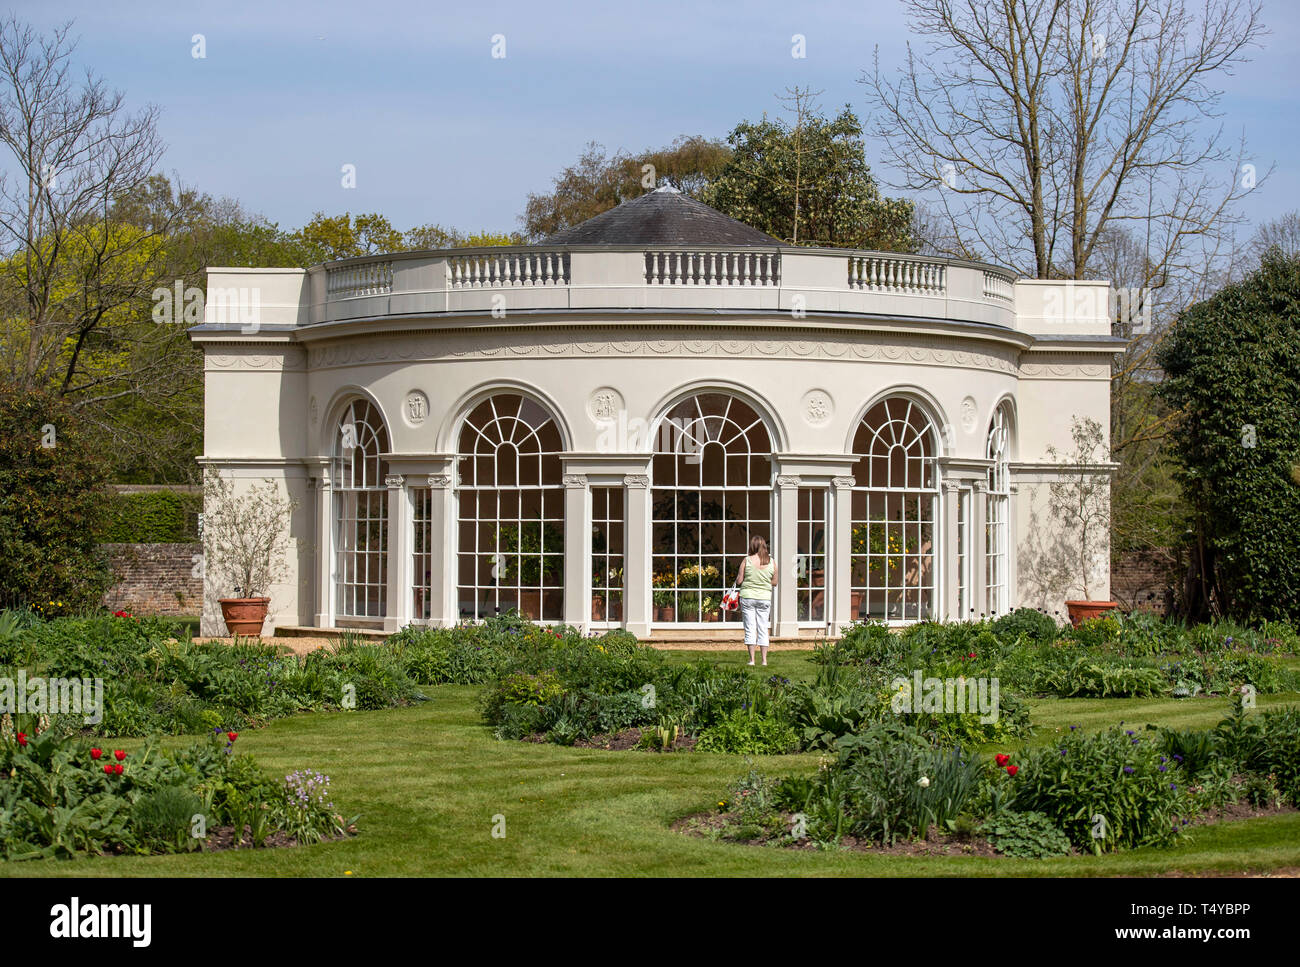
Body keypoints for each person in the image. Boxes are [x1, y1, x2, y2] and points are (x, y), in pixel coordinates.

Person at [735, 535, 778, 666]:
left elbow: (739, 581)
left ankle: (752, 660)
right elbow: (775, 582)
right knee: (763, 628)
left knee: (750, 627)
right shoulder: (772, 562)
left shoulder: (746, 560)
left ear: (752, 546)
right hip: (764, 598)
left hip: (748, 597)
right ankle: (764, 660)